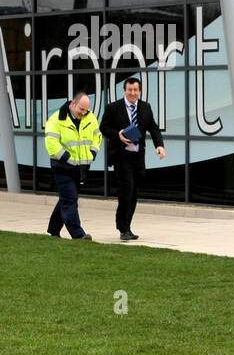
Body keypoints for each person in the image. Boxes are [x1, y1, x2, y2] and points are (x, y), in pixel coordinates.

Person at [100, 77, 165, 241]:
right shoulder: (113, 108)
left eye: (136, 90)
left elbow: (153, 127)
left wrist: (159, 145)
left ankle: (126, 225)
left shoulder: (145, 107)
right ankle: (123, 228)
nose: (133, 93)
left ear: (139, 91)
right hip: (121, 156)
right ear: (125, 90)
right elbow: (104, 127)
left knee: (133, 192)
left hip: (138, 156)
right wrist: (118, 135)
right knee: (126, 189)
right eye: (130, 90)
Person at [45, 90, 102, 241]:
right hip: (62, 167)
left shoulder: (90, 118)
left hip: (81, 168)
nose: (83, 113)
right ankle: (78, 234)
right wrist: (66, 157)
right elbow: (51, 142)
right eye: (81, 109)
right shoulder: (56, 119)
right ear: (73, 104)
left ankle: (53, 230)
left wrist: (93, 153)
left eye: (86, 110)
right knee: (70, 199)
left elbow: (97, 136)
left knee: (66, 198)